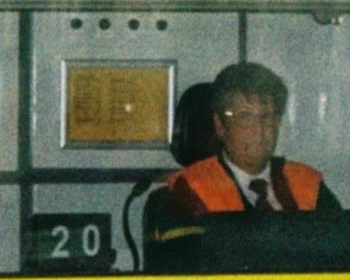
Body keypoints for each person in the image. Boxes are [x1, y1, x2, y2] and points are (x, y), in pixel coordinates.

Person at [145, 62, 338, 262]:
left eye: (266, 117)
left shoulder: (308, 185)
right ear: (220, 126)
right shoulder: (187, 191)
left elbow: (341, 259)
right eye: (245, 117)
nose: (258, 130)